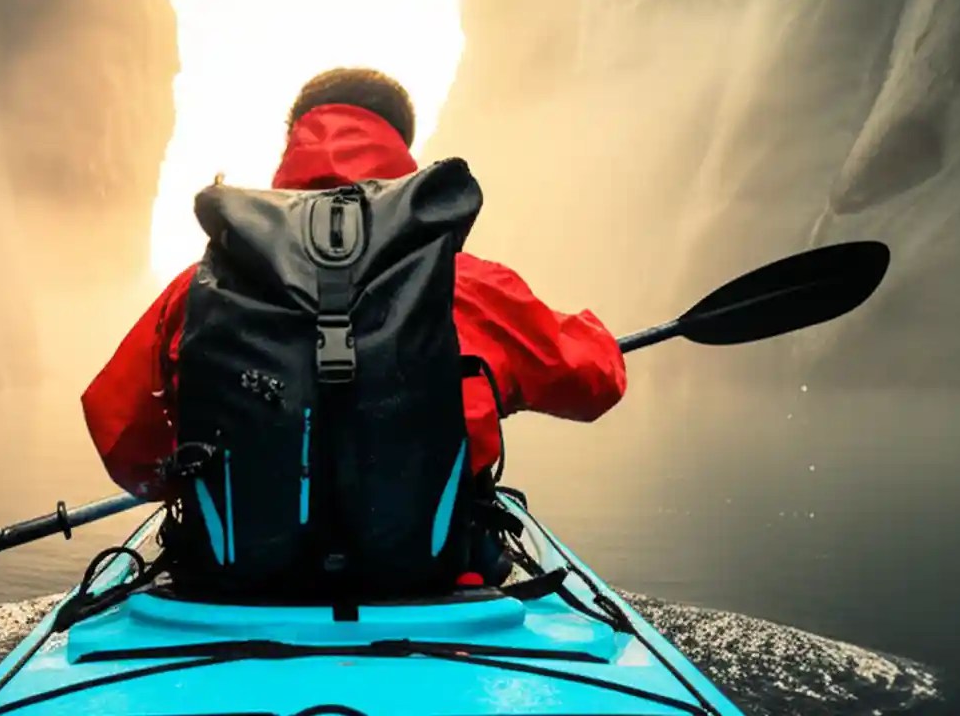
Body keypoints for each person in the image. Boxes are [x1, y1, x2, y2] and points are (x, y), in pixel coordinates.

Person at [81, 67, 627, 584]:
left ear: (291, 144)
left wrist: (188, 473)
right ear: (402, 151)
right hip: (434, 583)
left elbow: (123, 437)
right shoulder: (460, 283)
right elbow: (593, 382)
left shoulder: (202, 287)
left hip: (231, 581)